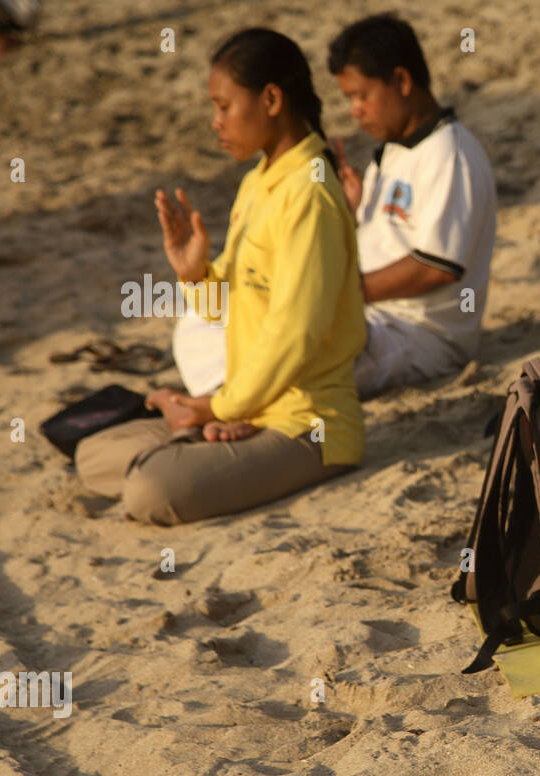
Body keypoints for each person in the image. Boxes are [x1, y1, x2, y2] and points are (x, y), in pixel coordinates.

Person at [74, 28, 366, 526]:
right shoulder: (259, 181)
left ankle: (191, 448)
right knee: (92, 452)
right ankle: (193, 446)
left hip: (306, 427)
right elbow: (224, 311)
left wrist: (219, 408)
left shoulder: (310, 193)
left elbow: (296, 334)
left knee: (151, 491)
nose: (216, 123)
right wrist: (195, 274)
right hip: (249, 406)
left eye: (224, 106)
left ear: (271, 98)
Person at [329, 12, 497, 398]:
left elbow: (436, 267)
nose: (354, 110)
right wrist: (350, 213)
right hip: (371, 317)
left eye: (361, 95)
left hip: (420, 335)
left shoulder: (450, 155)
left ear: (402, 81)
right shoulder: (392, 153)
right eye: (348, 99)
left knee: (304, 356)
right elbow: (382, 244)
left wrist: (340, 293)